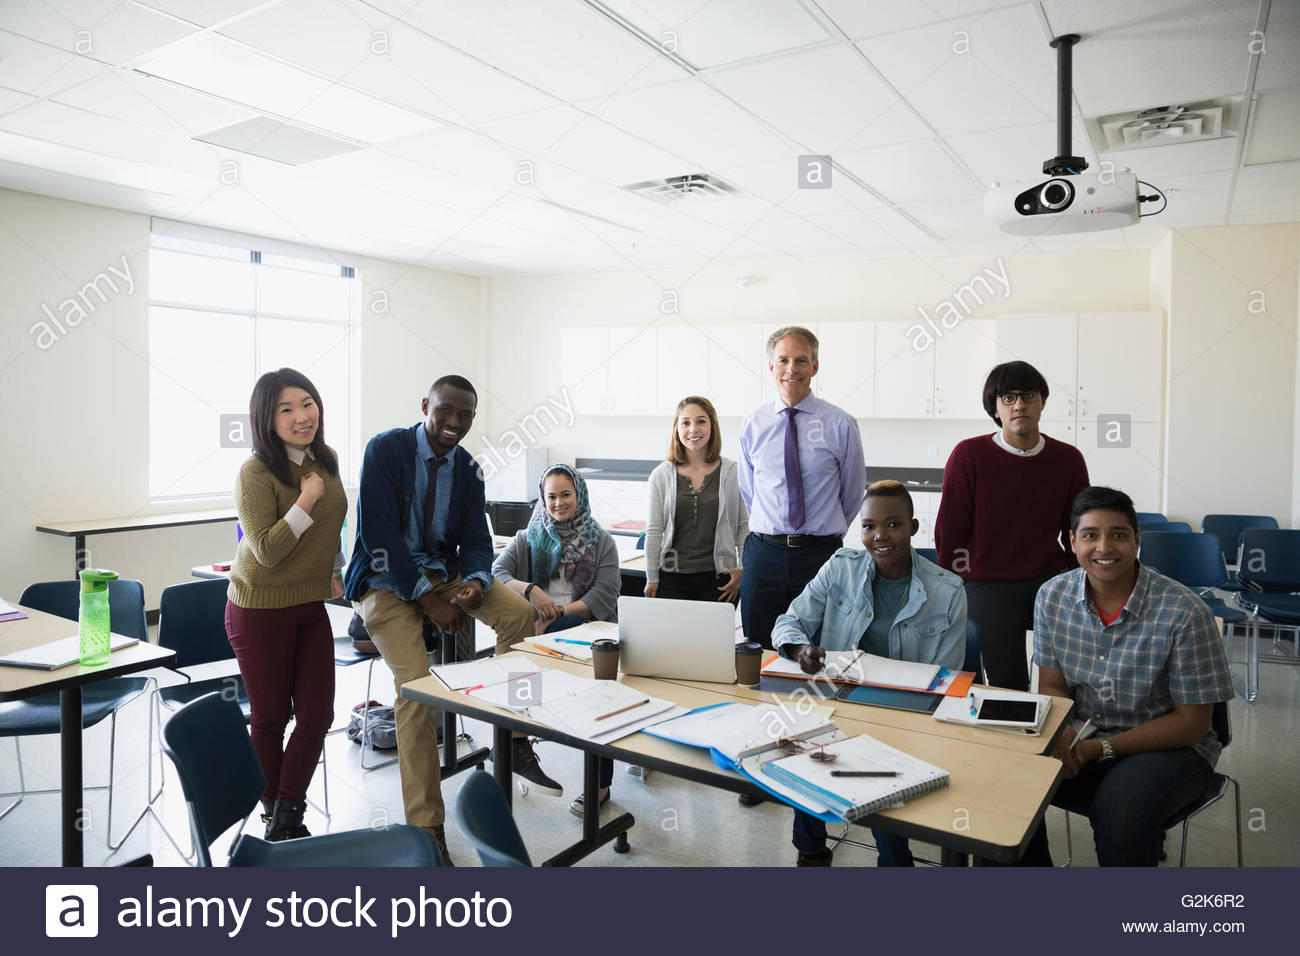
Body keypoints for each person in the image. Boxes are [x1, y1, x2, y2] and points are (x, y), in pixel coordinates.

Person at [343, 375, 554, 864]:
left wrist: (478, 581)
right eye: (446, 412)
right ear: (425, 406)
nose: (455, 424)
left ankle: (515, 737)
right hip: (384, 579)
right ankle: (426, 826)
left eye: (466, 416)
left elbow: (477, 539)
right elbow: (379, 537)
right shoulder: (385, 451)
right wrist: (428, 602)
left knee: (519, 614)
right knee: (417, 691)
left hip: (445, 574)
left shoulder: (468, 469)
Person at [1017, 486, 1233, 866]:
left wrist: (1098, 749)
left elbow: (1192, 724)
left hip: (1171, 748)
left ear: (1137, 540)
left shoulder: (1185, 612)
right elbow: (1051, 685)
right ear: (1072, 541)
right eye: (1090, 535)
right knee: (1004, 781)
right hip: (1085, 734)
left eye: (1118, 534)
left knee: (1123, 808)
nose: (1104, 547)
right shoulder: (1051, 596)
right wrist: (1063, 729)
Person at [772, 480, 967, 866]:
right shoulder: (840, 567)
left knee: (879, 772)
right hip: (836, 704)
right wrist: (800, 649)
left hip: (905, 716)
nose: (879, 536)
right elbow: (790, 620)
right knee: (808, 748)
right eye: (868, 526)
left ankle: (894, 860)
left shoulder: (948, 589)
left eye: (893, 525)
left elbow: (948, 678)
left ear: (913, 527)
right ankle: (810, 851)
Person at [226, 368, 346, 842]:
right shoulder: (254, 473)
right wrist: (307, 497)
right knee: (271, 716)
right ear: (266, 418)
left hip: (309, 604)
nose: (303, 416)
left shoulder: (326, 460)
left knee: (318, 715)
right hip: (259, 607)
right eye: (287, 408)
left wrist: (334, 569)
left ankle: (285, 811)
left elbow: (332, 525)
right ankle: (277, 817)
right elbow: (268, 551)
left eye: (308, 403)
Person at [934, 360, 1089, 691]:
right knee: (1009, 682)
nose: (1019, 405)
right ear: (995, 409)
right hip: (988, 583)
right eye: (1008, 398)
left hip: (1048, 579)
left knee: (1066, 676)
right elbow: (951, 530)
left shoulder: (1068, 459)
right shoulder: (969, 455)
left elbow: (1077, 530)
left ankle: (1065, 736)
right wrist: (953, 586)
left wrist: (1080, 580)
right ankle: (1016, 735)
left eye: (1028, 395)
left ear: (1043, 402)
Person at [493, 464, 621, 817]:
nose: (558, 503)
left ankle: (599, 784)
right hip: (539, 633)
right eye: (551, 496)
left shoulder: (601, 540)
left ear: (579, 495)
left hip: (587, 635)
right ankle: (515, 745)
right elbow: (497, 573)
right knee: (514, 652)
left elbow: (605, 597)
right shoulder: (528, 537)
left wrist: (556, 615)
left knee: (599, 697)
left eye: (566, 494)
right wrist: (532, 592)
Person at [738, 326, 865, 652]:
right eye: (783, 360)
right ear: (771, 367)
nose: (791, 369)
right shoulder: (753, 424)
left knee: (820, 650)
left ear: (814, 367)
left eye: (801, 360)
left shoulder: (840, 424)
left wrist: (818, 533)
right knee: (759, 651)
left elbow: (851, 494)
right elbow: (749, 491)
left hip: (820, 557)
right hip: (764, 555)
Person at [644, 395, 747, 604]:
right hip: (672, 577)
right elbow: (654, 531)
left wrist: (744, 569)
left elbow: (743, 528)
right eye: (686, 423)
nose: (693, 429)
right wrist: (652, 578)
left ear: (712, 426)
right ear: (677, 428)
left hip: (720, 579)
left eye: (701, 421)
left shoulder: (732, 472)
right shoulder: (661, 475)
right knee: (673, 637)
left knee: (713, 637)